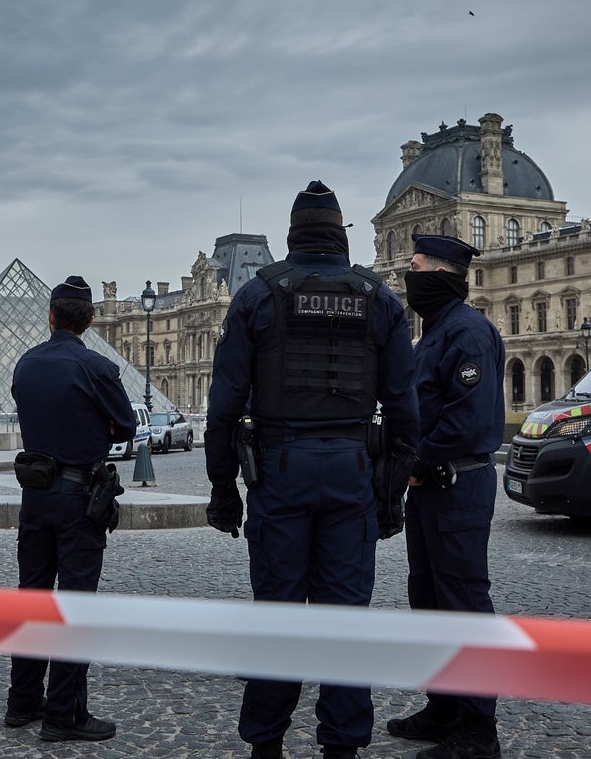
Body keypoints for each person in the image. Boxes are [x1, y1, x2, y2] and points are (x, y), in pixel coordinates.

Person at [205, 181, 420, 759]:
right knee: (346, 619)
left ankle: (266, 746)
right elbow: (404, 407)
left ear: (293, 236)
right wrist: (393, 494)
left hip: (279, 469)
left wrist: (223, 486)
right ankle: (342, 749)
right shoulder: (379, 299)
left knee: (277, 615)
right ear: (342, 236)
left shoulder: (257, 295)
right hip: (352, 469)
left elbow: (224, 404)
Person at [387, 234, 507, 759]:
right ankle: (444, 707)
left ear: (439, 274)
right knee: (429, 600)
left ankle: (479, 730)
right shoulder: (434, 333)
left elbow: (468, 421)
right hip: (433, 489)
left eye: (413, 267)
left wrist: (417, 460)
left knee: (462, 603)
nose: (406, 277)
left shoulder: (468, 333)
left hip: (456, 483)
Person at [4, 275, 134, 743]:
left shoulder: (26, 363)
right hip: (79, 496)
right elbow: (124, 427)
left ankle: (21, 703)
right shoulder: (97, 366)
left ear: (51, 315)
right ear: (91, 320)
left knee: (32, 600)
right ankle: (63, 714)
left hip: (34, 495)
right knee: (74, 606)